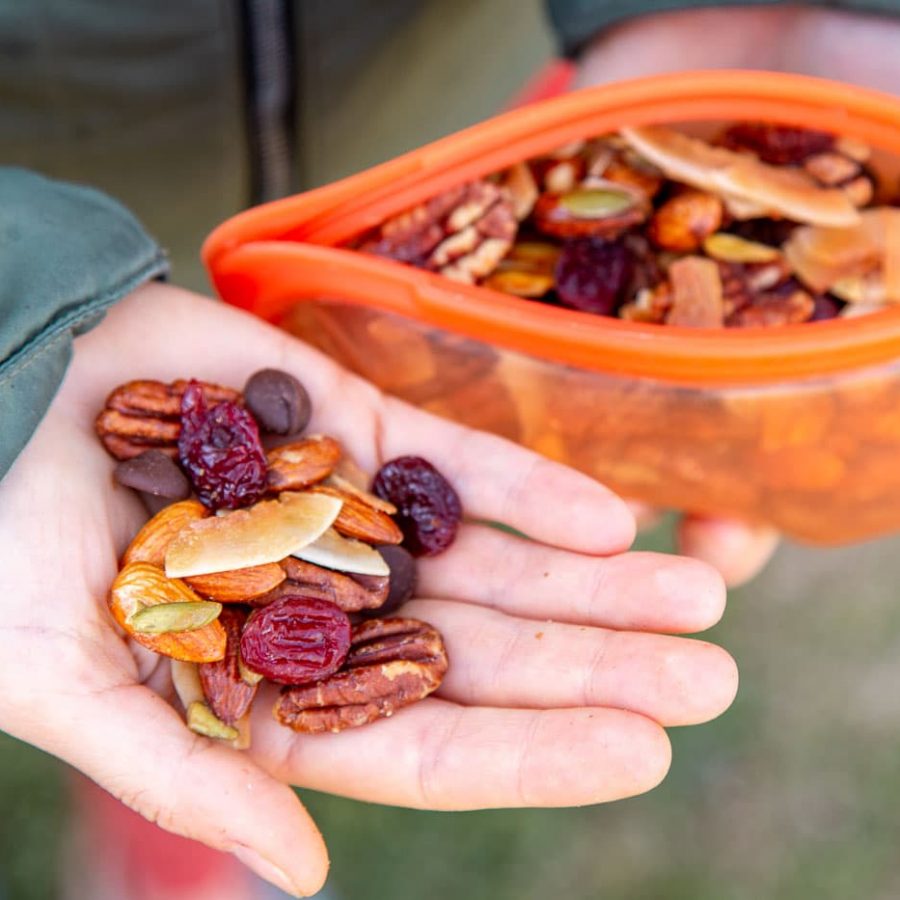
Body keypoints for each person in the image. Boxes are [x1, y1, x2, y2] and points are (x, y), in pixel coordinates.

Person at [1, 0, 894, 896]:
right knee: (144, 702)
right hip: (66, 181)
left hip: (437, 124)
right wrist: (21, 336)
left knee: (172, 697)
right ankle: (178, 869)